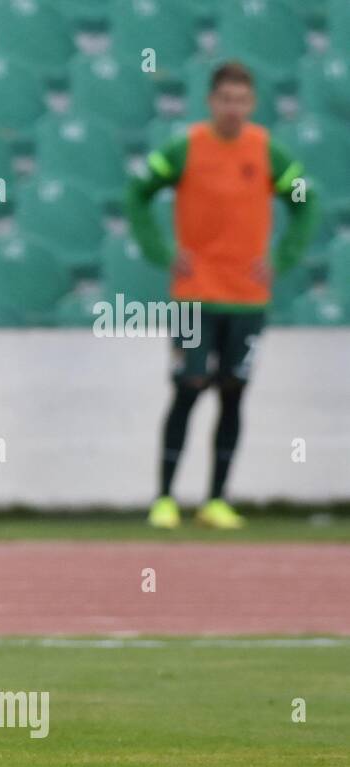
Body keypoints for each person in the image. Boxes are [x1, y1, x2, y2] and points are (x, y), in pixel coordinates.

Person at [129, 61, 317, 530]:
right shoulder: (186, 147)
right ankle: (165, 498)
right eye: (225, 99)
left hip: (248, 298)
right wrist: (161, 250)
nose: (233, 108)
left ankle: (216, 499)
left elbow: (305, 200)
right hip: (195, 295)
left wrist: (283, 257)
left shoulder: (267, 151)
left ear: (251, 104)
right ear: (212, 101)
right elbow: (139, 191)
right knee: (188, 387)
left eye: (242, 100)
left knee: (234, 392)